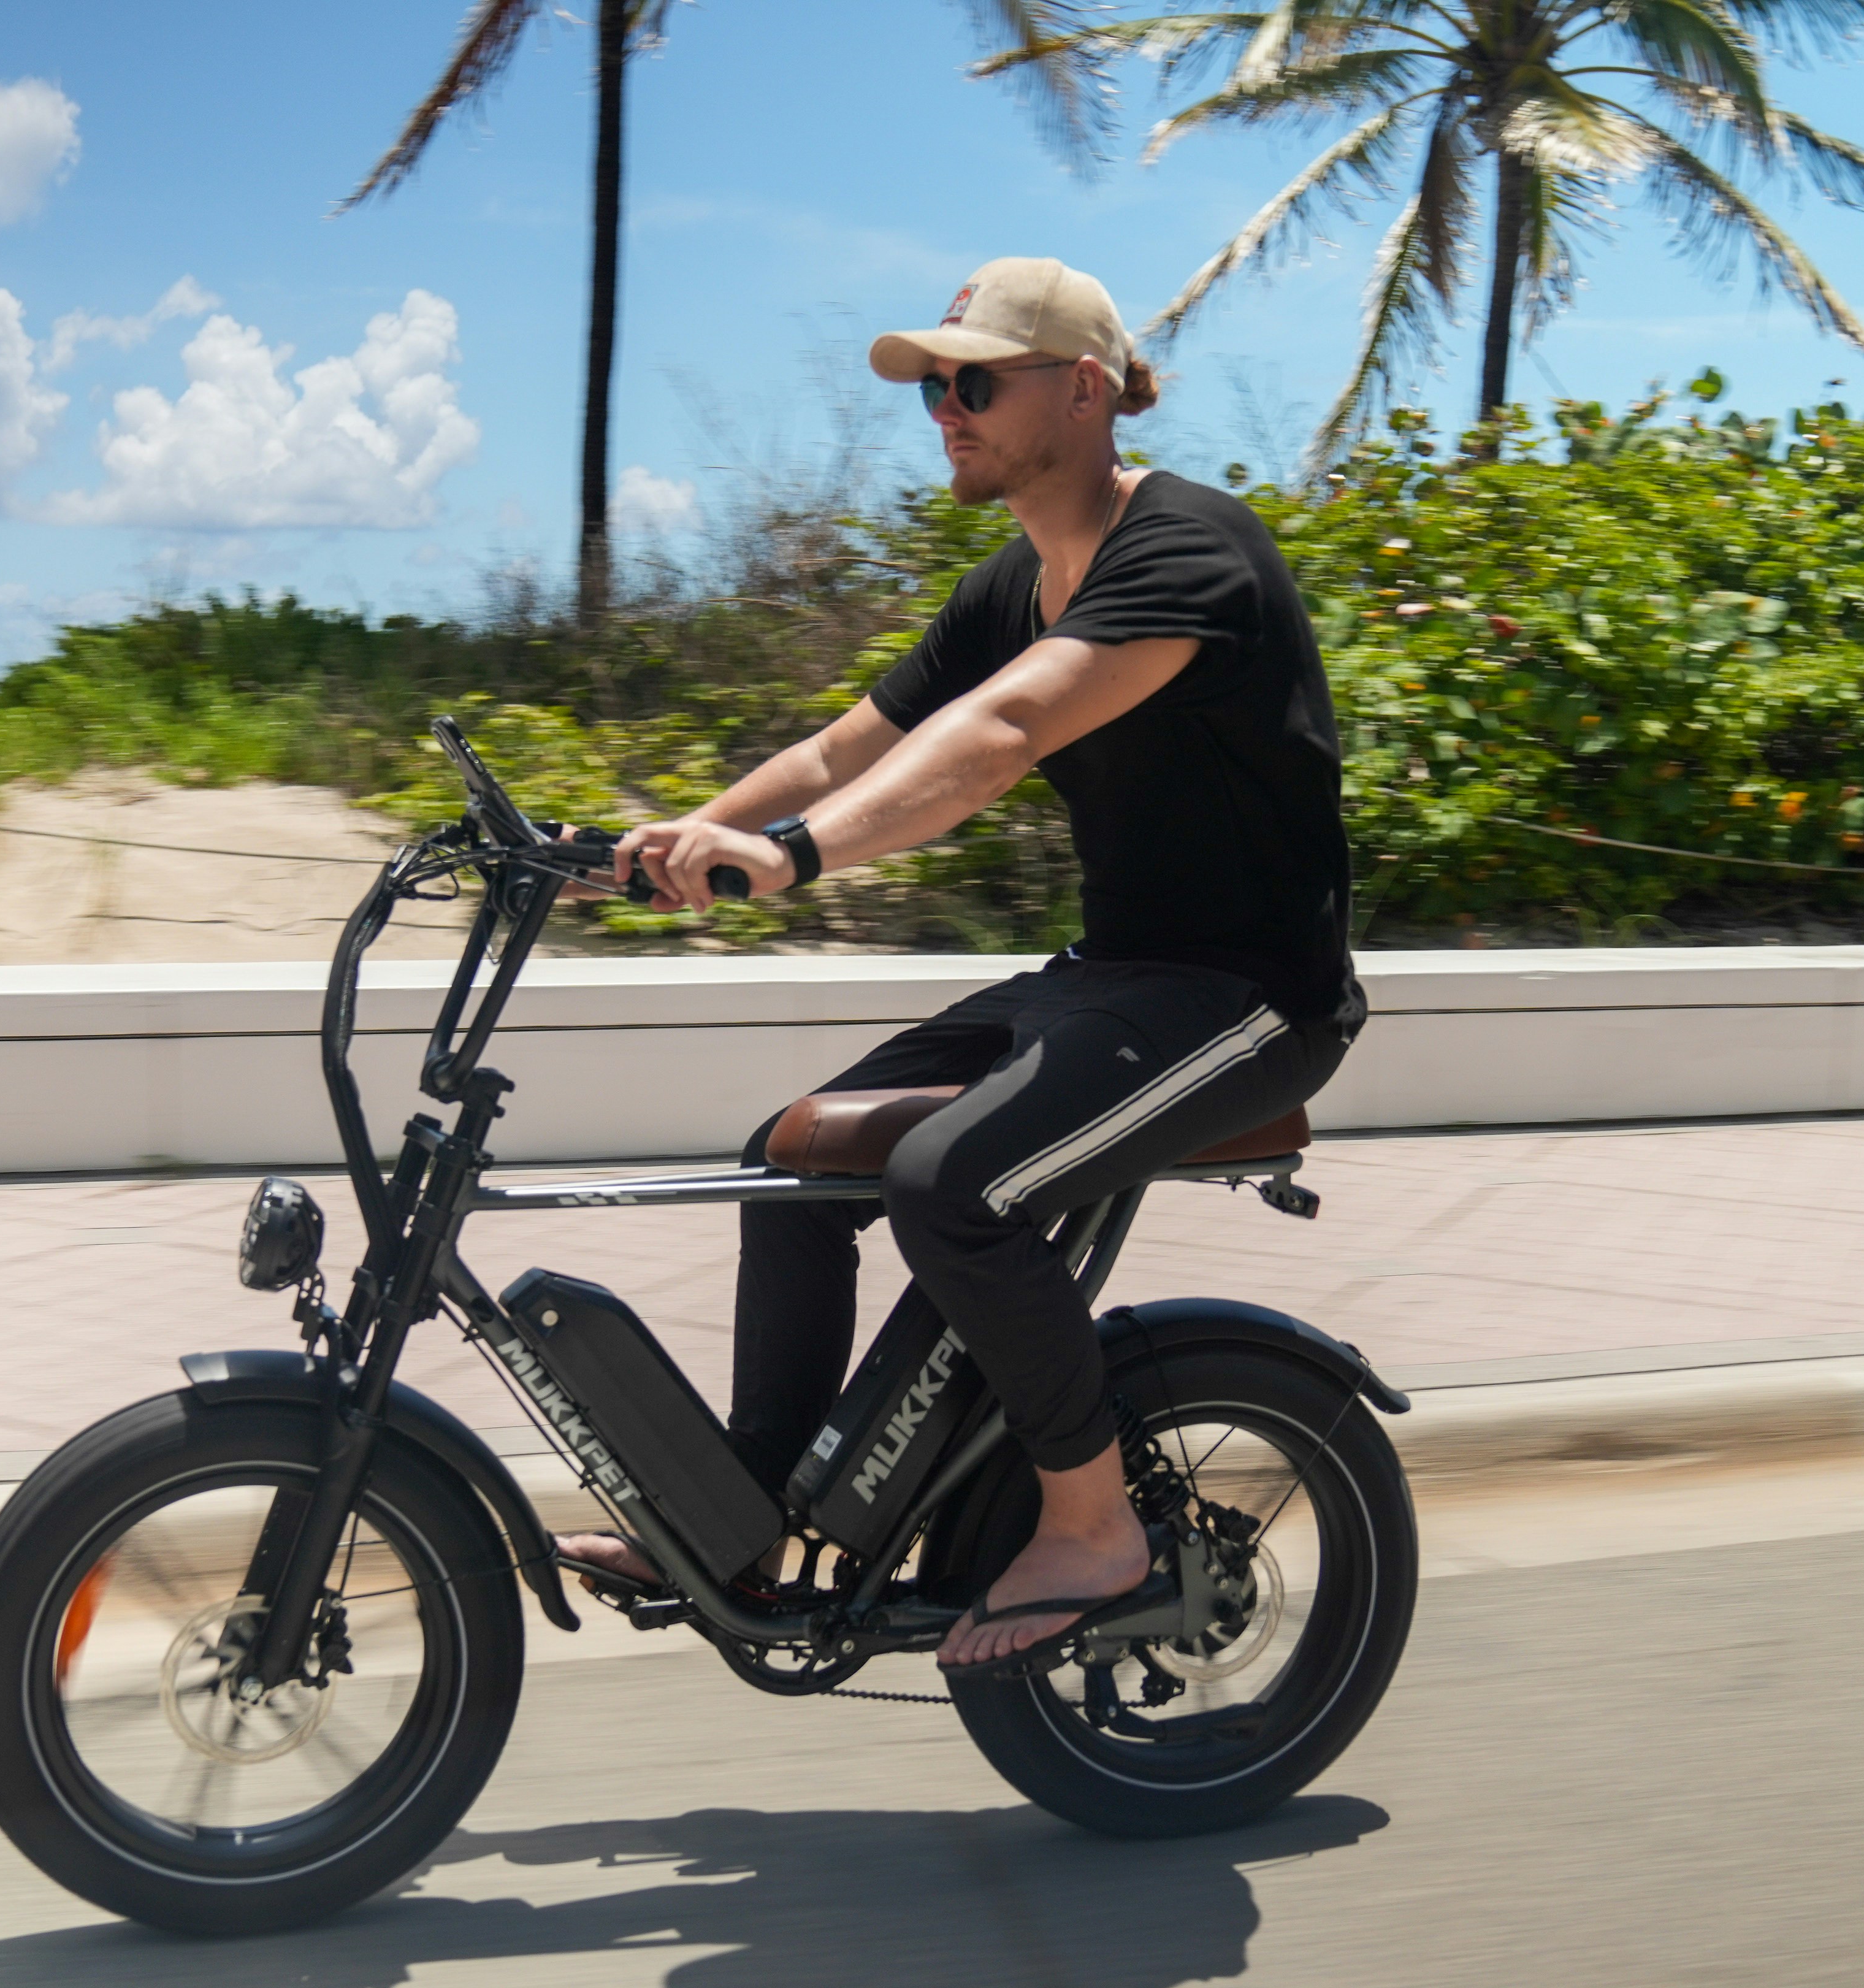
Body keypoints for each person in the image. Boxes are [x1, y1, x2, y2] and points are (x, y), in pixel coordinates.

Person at [578, 257, 1362, 1677]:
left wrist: (798, 858)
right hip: (1117, 973)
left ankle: (1095, 1525)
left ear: (1085, 388)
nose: (943, 408)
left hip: (1250, 999)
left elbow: (1001, 738)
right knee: (795, 1162)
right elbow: (844, 748)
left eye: (972, 381)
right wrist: (684, 834)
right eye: (935, 386)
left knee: (955, 1184)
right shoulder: (1014, 580)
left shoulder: (1192, 548)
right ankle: (746, 1513)